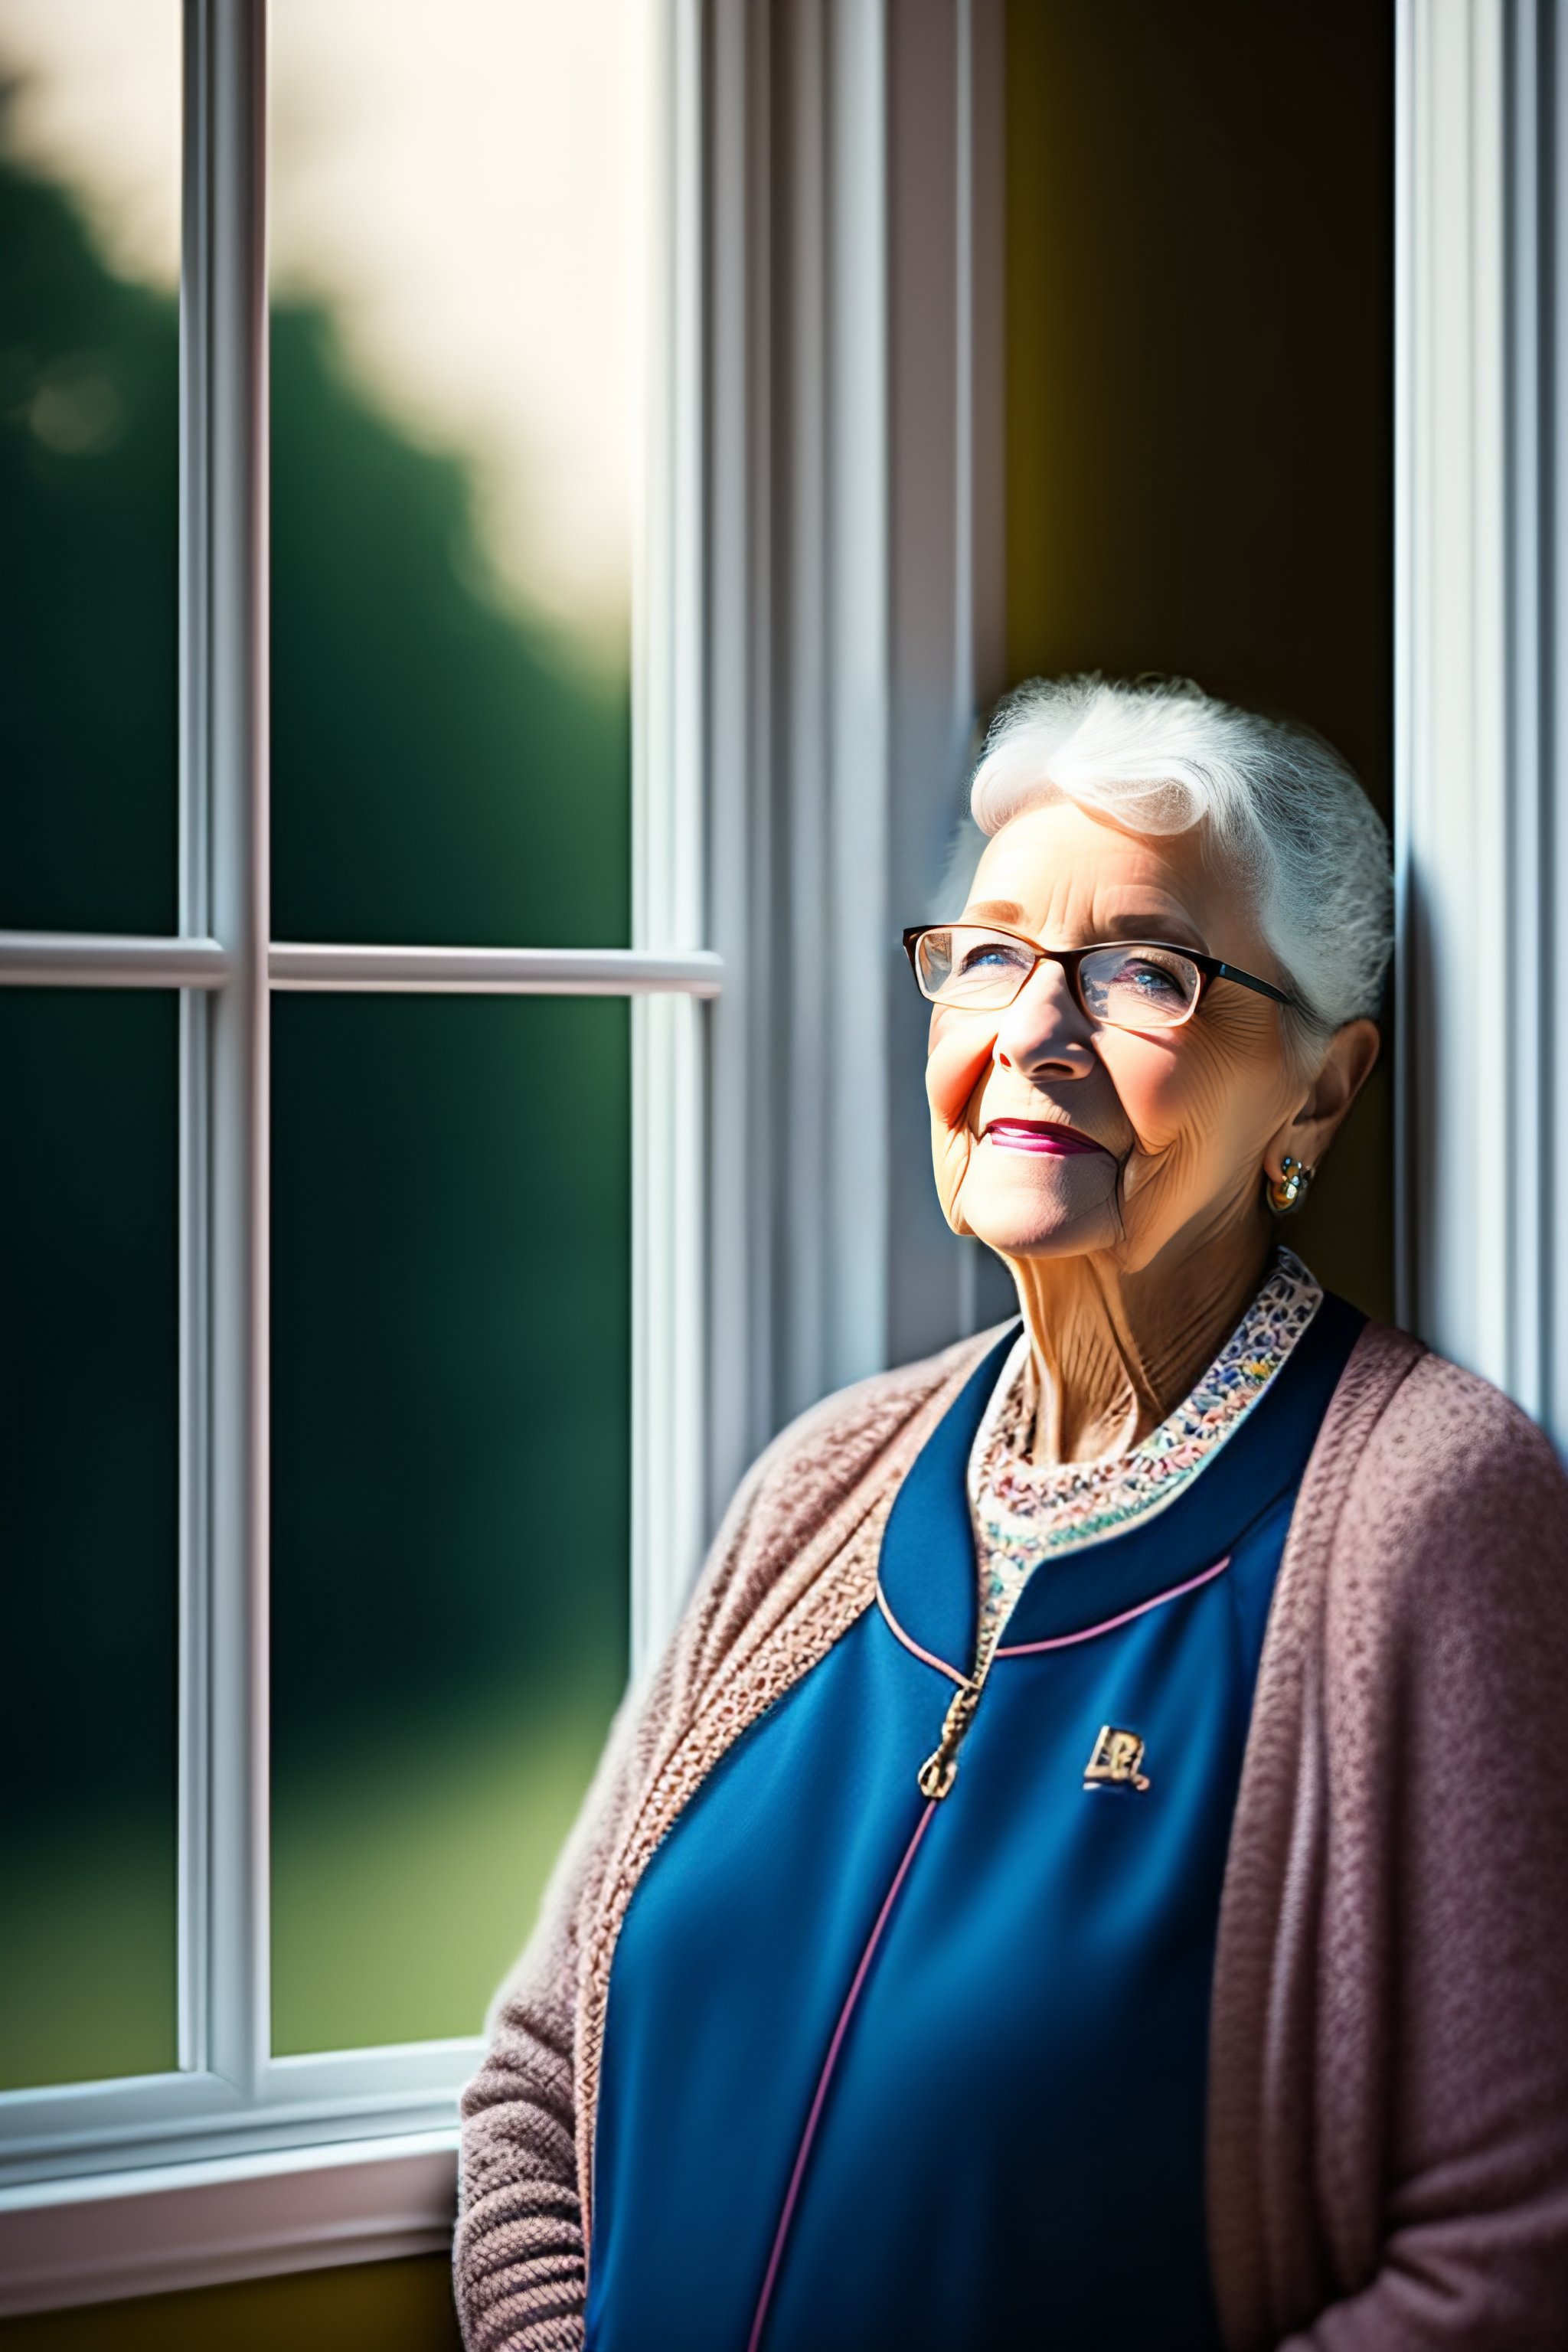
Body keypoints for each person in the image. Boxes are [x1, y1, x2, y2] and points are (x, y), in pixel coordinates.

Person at [455, 675, 1568, 2351]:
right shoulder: (818, 1483)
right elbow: (539, 2088)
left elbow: (1501, 2262)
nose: (1031, 1036)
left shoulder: (1426, 1510)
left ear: (1321, 1095)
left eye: (1142, 972)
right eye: (986, 955)